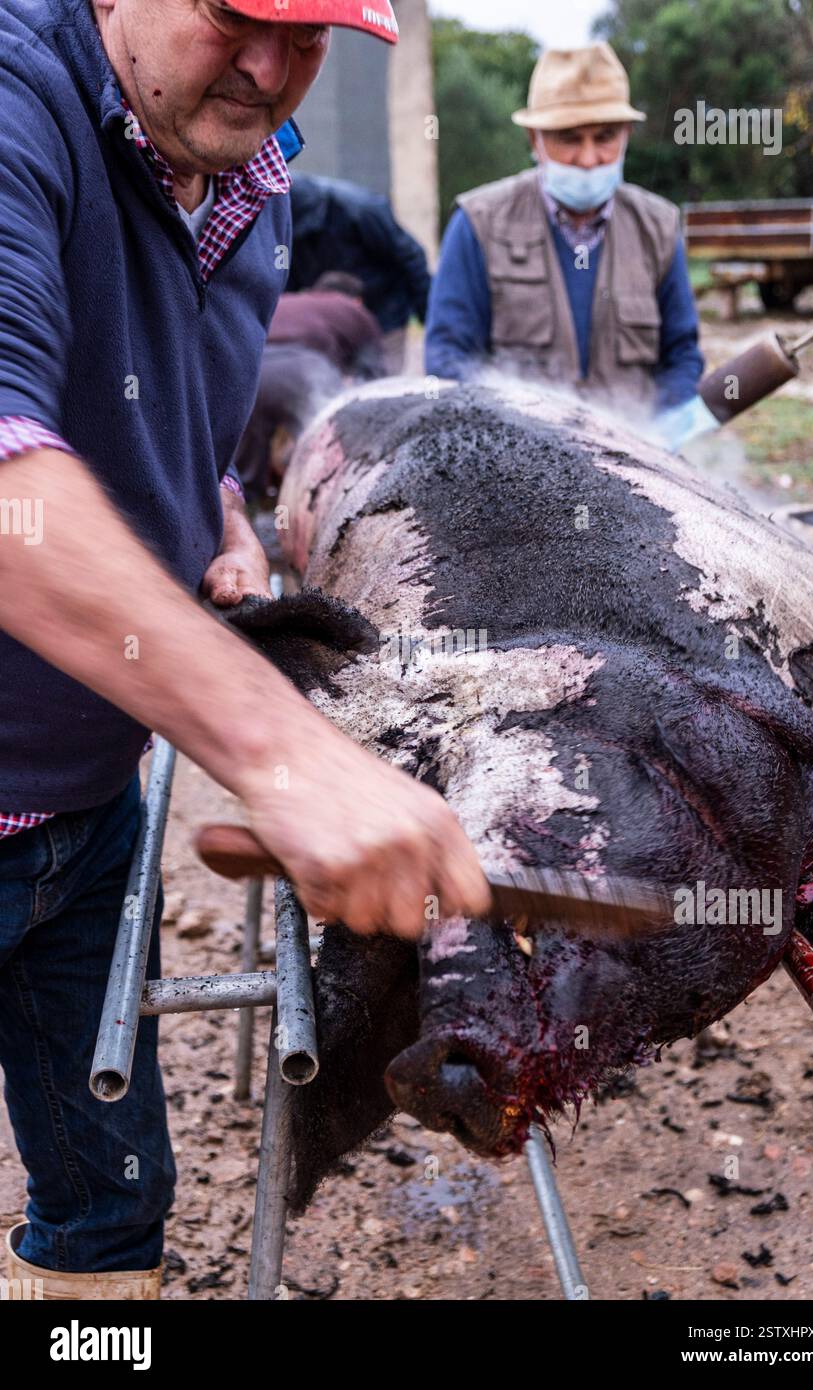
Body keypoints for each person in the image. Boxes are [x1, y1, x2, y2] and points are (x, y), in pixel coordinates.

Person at [0, 0, 489, 1300]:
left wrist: (214, 511)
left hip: (88, 805)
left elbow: (170, 421)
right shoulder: (15, 95)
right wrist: (284, 752)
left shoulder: (252, 189)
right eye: (236, 16)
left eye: (314, 37)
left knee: (109, 1203)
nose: (273, 73)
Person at [425, 43, 704, 421]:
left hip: (633, 455)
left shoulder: (658, 226)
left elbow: (682, 356)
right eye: (569, 139)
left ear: (626, 135)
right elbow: (448, 357)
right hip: (516, 456)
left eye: (604, 137)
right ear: (535, 141)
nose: (589, 160)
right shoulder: (478, 223)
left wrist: (659, 432)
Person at [234, 273, 384, 498]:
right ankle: (324, 502)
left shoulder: (285, 300)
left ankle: (252, 512)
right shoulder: (354, 309)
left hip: (249, 371)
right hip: (305, 370)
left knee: (246, 459)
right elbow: (377, 379)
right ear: (357, 300)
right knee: (327, 446)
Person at [283, 168, 431, 372]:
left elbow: (410, 256)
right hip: (329, 323)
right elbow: (284, 276)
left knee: (382, 387)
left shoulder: (361, 210)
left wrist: (429, 316)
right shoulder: (283, 218)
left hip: (383, 315)